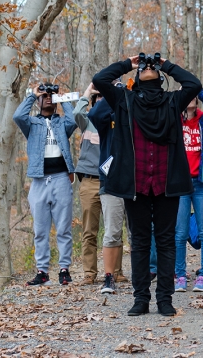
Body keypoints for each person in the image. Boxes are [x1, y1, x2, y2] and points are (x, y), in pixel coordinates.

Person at [92, 55, 201, 316]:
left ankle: (164, 299)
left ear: (161, 75)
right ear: (137, 74)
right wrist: (128, 63)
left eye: (153, 67)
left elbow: (193, 84)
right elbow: (100, 80)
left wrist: (166, 64)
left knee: (166, 242)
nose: (149, 68)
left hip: (166, 182)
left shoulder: (173, 101)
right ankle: (141, 298)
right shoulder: (124, 99)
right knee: (139, 242)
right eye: (145, 66)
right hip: (136, 183)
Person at [13, 82, 78, 286]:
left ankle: (64, 269)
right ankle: (42, 271)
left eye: (52, 95)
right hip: (39, 181)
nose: (49, 97)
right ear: (39, 101)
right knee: (40, 230)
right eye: (45, 95)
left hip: (61, 178)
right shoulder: (32, 124)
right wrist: (33, 95)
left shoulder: (62, 123)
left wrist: (62, 97)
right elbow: (18, 116)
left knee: (63, 229)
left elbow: (74, 119)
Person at [75, 83, 127, 286]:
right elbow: (77, 112)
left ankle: (116, 271)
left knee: (114, 228)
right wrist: (89, 91)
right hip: (90, 180)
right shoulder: (87, 122)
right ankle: (89, 272)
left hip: (113, 181)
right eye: (100, 99)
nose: (102, 102)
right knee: (89, 230)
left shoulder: (117, 122)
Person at [174, 91, 203, 292]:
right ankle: (179, 275)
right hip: (180, 184)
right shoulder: (174, 120)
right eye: (187, 95)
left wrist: (198, 90)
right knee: (180, 233)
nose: (191, 98)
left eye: (193, 96)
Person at [87, 80, 131, 294]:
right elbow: (93, 116)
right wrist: (112, 93)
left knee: (138, 233)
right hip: (111, 181)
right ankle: (108, 277)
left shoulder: (134, 113)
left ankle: (144, 274)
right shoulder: (106, 118)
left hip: (135, 181)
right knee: (112, 231)